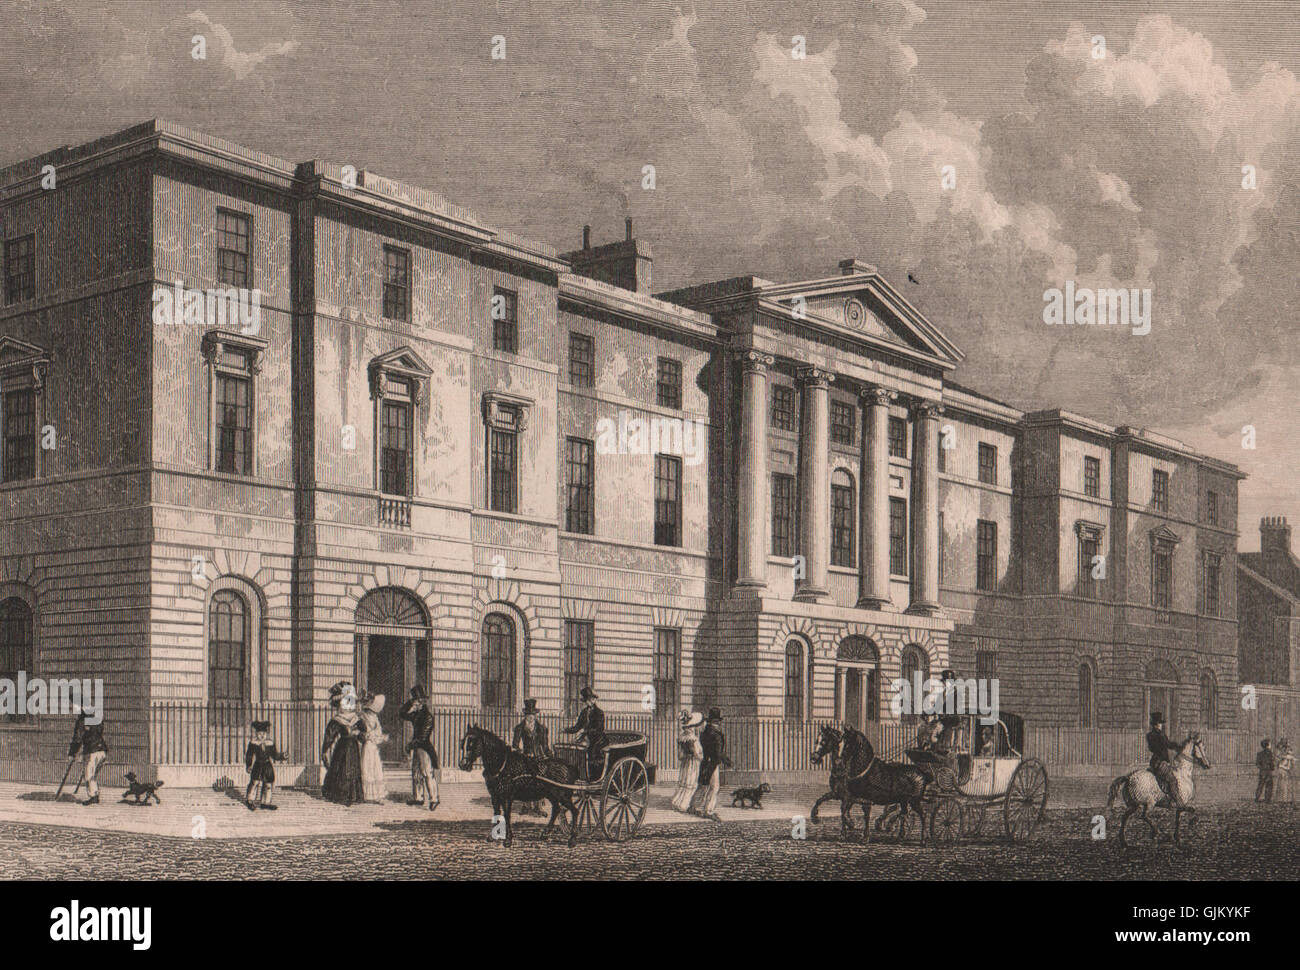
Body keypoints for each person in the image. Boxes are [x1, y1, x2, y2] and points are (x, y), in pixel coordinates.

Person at [321, 682, 364, 806]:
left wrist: (359, 734)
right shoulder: (337, 719)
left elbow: (364, 731)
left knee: (353, 769)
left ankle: (353, 795)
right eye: (346, 702)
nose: (349, 705)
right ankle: (340, 795)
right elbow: (329, 736)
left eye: (350, 702)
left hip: (353, 746)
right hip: (343, 747)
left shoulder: (356, 718)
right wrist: (325, 749)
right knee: (342, 769)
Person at [399, 685, 439, 810]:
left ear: (421, 702)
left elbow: (422, 737)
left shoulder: (427, 717)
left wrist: (410, 745)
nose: (415, 703)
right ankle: (418, 798)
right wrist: (410, 704)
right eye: (414, 700)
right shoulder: (417, 714)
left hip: (424, 748)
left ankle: (434, 799)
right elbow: (402, 714)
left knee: (427, 773)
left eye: (416, 700)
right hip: (417, 747)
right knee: (416, 773)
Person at [512, 698, 551, 815]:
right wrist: (520, 752)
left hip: (538, 756)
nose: (530, 717)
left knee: (540, 779)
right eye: (528, 714)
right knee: (523, 778)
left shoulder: (541, 728)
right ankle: (525, 805)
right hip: (525, 756)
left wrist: (547, 754)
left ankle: (538, 806)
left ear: (535, 715)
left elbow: (545, 745)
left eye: (532, 714)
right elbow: (515, 743)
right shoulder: (519, 727)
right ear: (525, 715)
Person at [691, 707, 731, 821]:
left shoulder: (705, 732)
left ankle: (694, 806)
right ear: (717, 722)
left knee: (703, 785)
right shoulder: (716, 734)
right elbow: (717, 752)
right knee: (714, 787)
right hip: (713, 763)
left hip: (705, 762)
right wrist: (726, 760)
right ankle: (709, 811)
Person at [67, 704, 107, 806]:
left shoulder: (82, 721)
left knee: (89, 775)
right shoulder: (96, 717)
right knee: (92, 775)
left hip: (91, 751)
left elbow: (78, 738)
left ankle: (93, 796)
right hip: (102, 750)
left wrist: (72, 753)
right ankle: (95, 794)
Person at [562, 686, 607, 780]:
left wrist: (585, 731)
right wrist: (566, 730)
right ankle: (579, 775)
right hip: (586, 738)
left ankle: (593, 778)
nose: (588, 702)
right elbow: (577, 726)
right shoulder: (584, 712)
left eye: (590, 699)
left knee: (592, 754)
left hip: (598, 740)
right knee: (574, 750)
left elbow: (599, 729)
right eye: (586, 700)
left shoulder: (599, 713)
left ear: (594, 700)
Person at [244, 719, 283, 811]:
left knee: (268, 784)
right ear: (256, 733)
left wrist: (282, 756)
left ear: (266, 734)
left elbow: (275, 755)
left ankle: (265, 802)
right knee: (255, 783)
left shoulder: (270, 743)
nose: (262, 735)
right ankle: (250, 800)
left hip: (267, 765)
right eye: (260, 733)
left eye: (264, 734)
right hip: (258, 764)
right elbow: (249, 755)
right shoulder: (253, 743)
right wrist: (249, 765)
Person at [672, 710, 705, 812]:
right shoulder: (693, 739)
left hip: (686, 762)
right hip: (693, 763)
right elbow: (696, 753)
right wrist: (702, 758)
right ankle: (683, 805)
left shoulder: (682, 738)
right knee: (691, 783)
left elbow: (680, 756)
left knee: (684, 782)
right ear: (692, 727)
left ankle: (677, 802)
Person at [359, 692, 388, 803]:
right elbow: (362, 732)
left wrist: (380, 737)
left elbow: (378, 731)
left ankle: (376, 795)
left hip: (373, 747)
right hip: (367, 746)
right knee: (367, 768)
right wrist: (372, 736)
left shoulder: (375, 717)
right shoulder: (362, 716)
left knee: (375, 768)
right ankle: (367, 795)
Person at [1146, 712, 1182, 803]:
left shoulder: (1149, 735)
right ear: (1156, 724)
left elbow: (1152, 748)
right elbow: (1168, 744)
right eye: (1160, 723)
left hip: (1154, 761)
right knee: (1172, 779)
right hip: (1160, 762)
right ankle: (1178, 802)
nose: (1161, 725)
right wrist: (1178, 747)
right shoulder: (1160, 735)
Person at [1256, 739, 1275, 803]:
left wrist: (1262, 768)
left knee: (1260, 785)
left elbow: (1257, 764)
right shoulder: (1270, 753)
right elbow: (1272, 763)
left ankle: (1257, 798)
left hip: (1262, 771)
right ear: (1267, 745)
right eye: (1270, 744)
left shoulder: (1259, 754)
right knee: (1269, 785)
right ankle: (1267, 799)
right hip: (1268, 771)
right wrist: (1272, 768)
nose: (1271, 745)